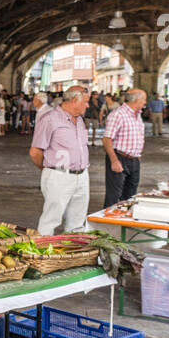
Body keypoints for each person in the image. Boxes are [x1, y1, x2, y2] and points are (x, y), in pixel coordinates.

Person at [29, 85, 90, 235]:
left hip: (82, 176)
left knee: (77, 223)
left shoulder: (80, 120)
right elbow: (35, 152)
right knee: (51, 220)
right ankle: (43, 255)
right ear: (75, 100)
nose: (88, 105)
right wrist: (49, 170)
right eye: (86, 102)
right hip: (59, 175)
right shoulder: (50, 119)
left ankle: (71, 256)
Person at [102, 88, 148, 207]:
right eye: (144, 100)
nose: (145, 102)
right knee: (114, 196)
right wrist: (114, 160)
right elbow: (107, 139)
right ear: (136, 100)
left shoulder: (137, 115)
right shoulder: (118, 114)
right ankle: (108, 223)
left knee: (130, 196)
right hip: (119, 158)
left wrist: (137, 156)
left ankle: (124, 222)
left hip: (134, 159)